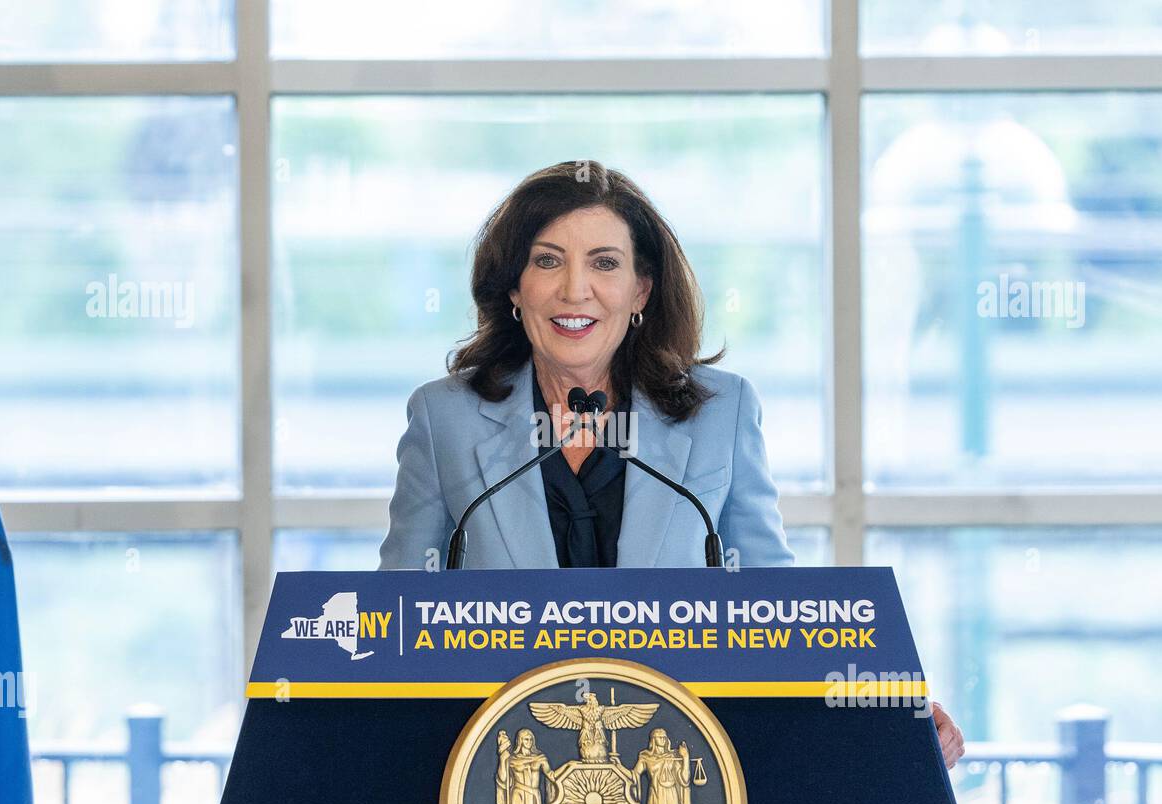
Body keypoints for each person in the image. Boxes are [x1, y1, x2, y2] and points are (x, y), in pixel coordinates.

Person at [378, 160, 964, 769]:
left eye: (605, 263)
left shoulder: (722, 412)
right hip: (497, 769)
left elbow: (773, 609)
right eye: (547, 260)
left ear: (641, 291)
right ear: (513, 287)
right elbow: (396, 615)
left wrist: (887, 707)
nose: (575, 289)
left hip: (682, 771)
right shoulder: (442, 417)